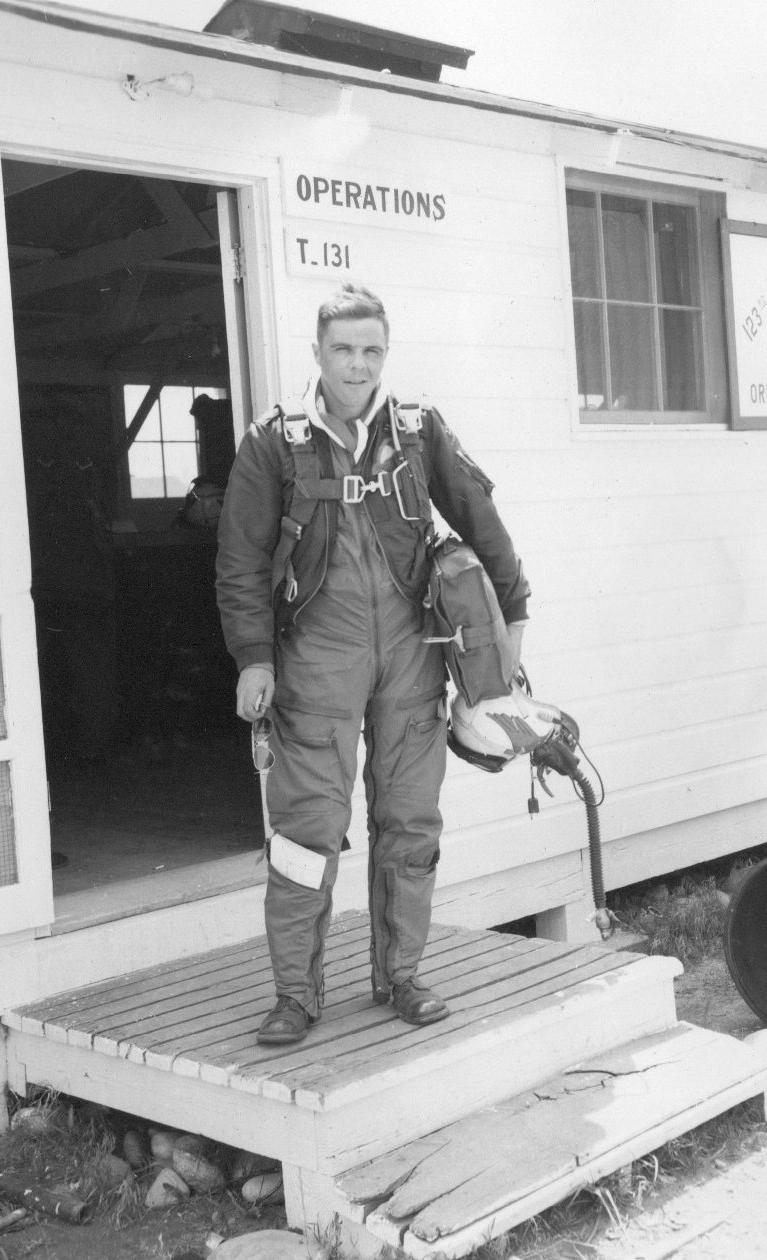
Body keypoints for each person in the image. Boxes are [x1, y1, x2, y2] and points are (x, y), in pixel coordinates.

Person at [215, 284, 530, 1044]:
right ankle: (296, 995)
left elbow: (481, 518)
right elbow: (240, 558)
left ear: (384, 353)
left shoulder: (417, 431)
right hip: (317, 659)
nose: (357, 365)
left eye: (371, 350)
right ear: (317, 353)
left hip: (414, 655)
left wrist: (512, 613)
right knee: (304, 831)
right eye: (342, 349)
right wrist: (253, 657)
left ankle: (404, 976)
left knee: (410, 820)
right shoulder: (274, 441)